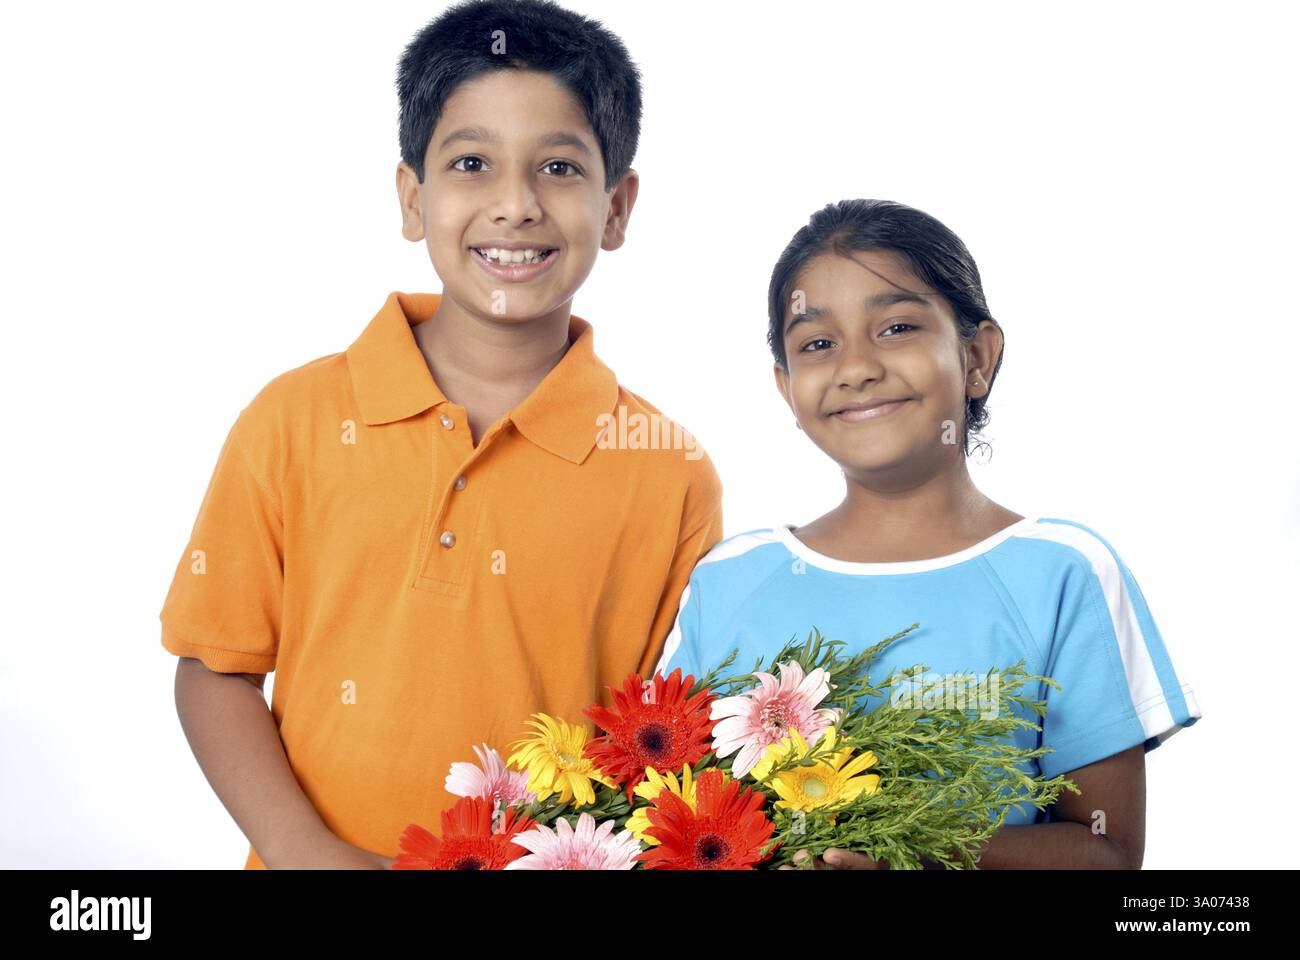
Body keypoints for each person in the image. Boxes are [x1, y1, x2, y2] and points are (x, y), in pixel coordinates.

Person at [160, 0, 722, 869]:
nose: (516, 204)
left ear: (617, 208)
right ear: (413, 199)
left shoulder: (672, 474)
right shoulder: (292, 418)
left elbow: (662, 746)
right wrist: (299, 846)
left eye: (560, 168)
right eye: (472, 162)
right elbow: (215, 666)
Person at [655, 198, 1200, 869]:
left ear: (976, 356)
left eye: (896, 327)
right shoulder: (730, 579)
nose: (856, 367)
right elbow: (660, 809)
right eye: (819, 344)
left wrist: (911, 855)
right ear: (787, 388)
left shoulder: (1061, 572)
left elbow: (1107, 851)